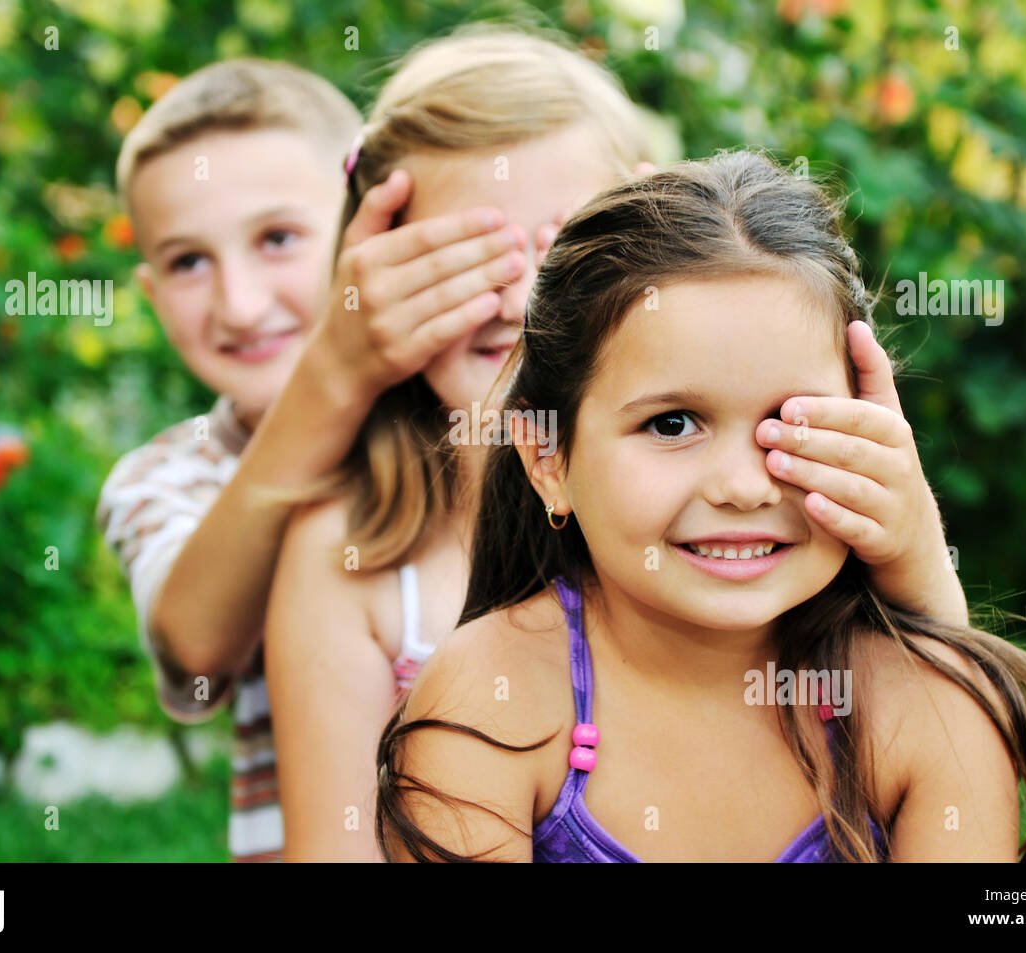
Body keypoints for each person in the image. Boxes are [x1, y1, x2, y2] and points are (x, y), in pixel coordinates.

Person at [265, 30, 974, 862]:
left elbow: (948, 731)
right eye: (462, 256)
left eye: (565, 245)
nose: (524, 294)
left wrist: (919, 559)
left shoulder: (859, 658)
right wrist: (332, 367)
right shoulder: (437, 640)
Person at [375, 151, 1026, 862]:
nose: (745, 486)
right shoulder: (492, 701)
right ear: (548, 458)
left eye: (789, 419)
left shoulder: (927, 710)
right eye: (672, 423)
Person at [96, 57, 519, 860]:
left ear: (371, 233)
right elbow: (194, 647)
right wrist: (339, 368)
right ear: (151, 294)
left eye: (279, 238)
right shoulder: (167, 473)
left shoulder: (464, 419)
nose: (241, 302)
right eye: (189, 261)